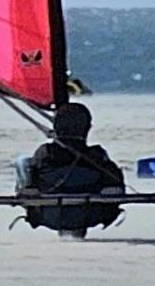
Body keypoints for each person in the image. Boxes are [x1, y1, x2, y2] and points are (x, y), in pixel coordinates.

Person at [16, 96, 124, 238]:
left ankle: (31, 202)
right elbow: (115, 183)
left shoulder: (46, 153)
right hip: (92, 214)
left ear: (56, 127)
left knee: (23, 162)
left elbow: (34, 171)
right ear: (87, 128)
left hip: (49, 214)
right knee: (110, 180)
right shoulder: (97, 156)